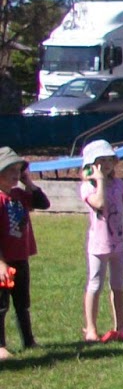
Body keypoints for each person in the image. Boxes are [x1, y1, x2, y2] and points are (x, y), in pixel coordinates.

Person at [80, 140, 123, 342]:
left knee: (118, 285)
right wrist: (100, 180)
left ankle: (120, 325)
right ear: (91, 164)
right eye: (100, 160)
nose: (105, 164)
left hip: (118, 244)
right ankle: (91, 328)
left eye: (108, 160)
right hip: (98, 246)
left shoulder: (119, 185)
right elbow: (100, 203)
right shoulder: (88, 187)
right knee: (95, 285)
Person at [0, 147, 49, 357]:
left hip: (20, 259)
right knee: (1, 305)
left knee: (23, 303)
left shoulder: (21, 195)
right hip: (3, 261)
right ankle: (0, 346)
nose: (16, 175)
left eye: (19, 171)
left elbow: (43, 203)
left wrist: (29, 183)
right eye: (11, 170)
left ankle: (29, 340)